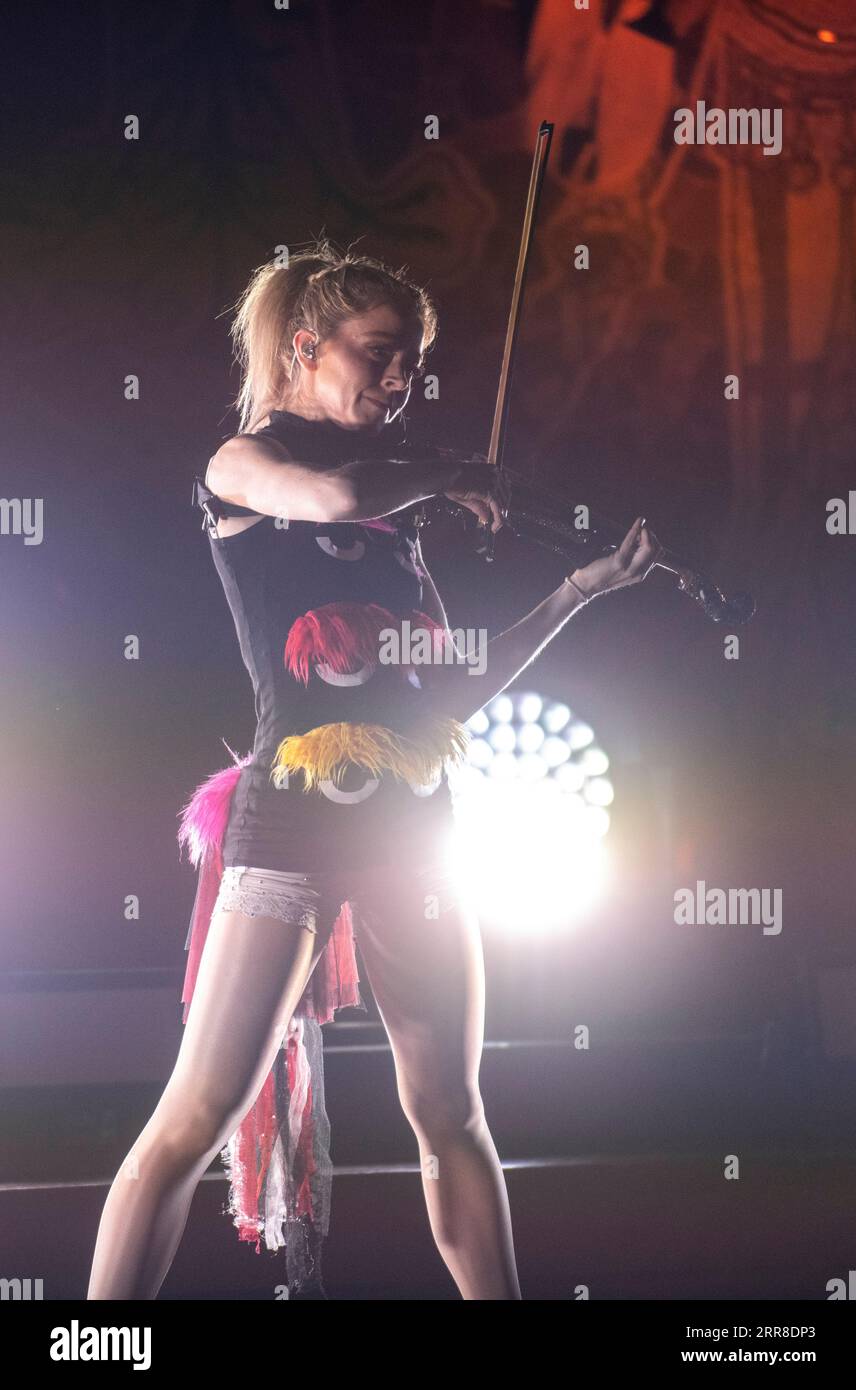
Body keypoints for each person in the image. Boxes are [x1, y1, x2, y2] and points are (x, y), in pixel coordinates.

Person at [87, 241, 660, 1301]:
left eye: (413, 365)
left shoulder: (399, 532)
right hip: (292, 825)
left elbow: (445, 690)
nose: (402, 382)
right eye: (383, 355)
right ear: (306, 346)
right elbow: (336, 494)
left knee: (452, 1113)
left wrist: (576, 590)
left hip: (417, 833)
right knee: (196, 1114)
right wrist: (449, 474)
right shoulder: (242, 468)